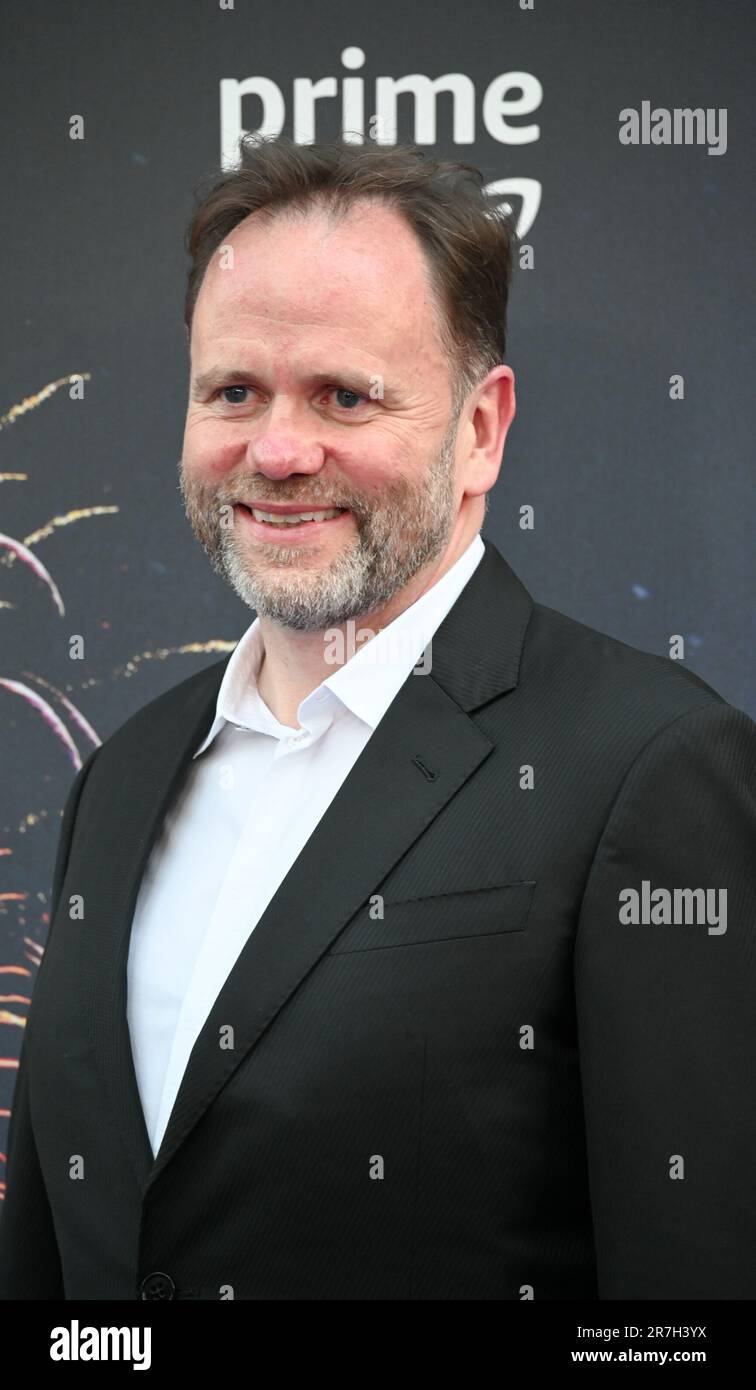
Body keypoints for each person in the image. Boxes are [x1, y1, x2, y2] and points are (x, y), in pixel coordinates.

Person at [1, 135, 754, 1301]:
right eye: (233, 391)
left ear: (481, 431)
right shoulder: (127, 775)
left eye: (345, 395)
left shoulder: (648, 767)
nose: (278, 450)